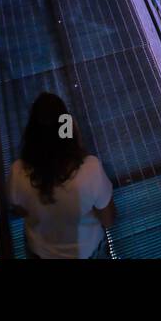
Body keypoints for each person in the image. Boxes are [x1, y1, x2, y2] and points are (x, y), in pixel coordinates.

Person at [8, 92, 115, 260]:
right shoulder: (90, 170)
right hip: (87, 253)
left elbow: (20, 209)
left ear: (32, 133)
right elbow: (108, 220)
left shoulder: (18, 172)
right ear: (67, 127)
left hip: (40, 253)